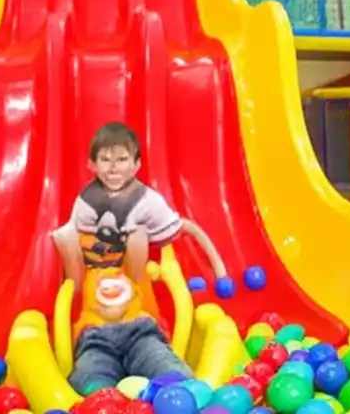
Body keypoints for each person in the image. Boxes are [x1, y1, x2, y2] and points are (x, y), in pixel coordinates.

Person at [51, 122, 231, 394]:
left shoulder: (144, 209)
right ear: (92, 165)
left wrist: (219, 268)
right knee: (88, 382)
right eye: (105, 160)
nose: (113, 168)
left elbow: (185, 227)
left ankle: (171, 392)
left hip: (141, 328)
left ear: (136, 166)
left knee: (173, 374)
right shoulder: (85, 208)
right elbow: (72, 266)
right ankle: (102, 397)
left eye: (122, 159)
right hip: (95, 334)